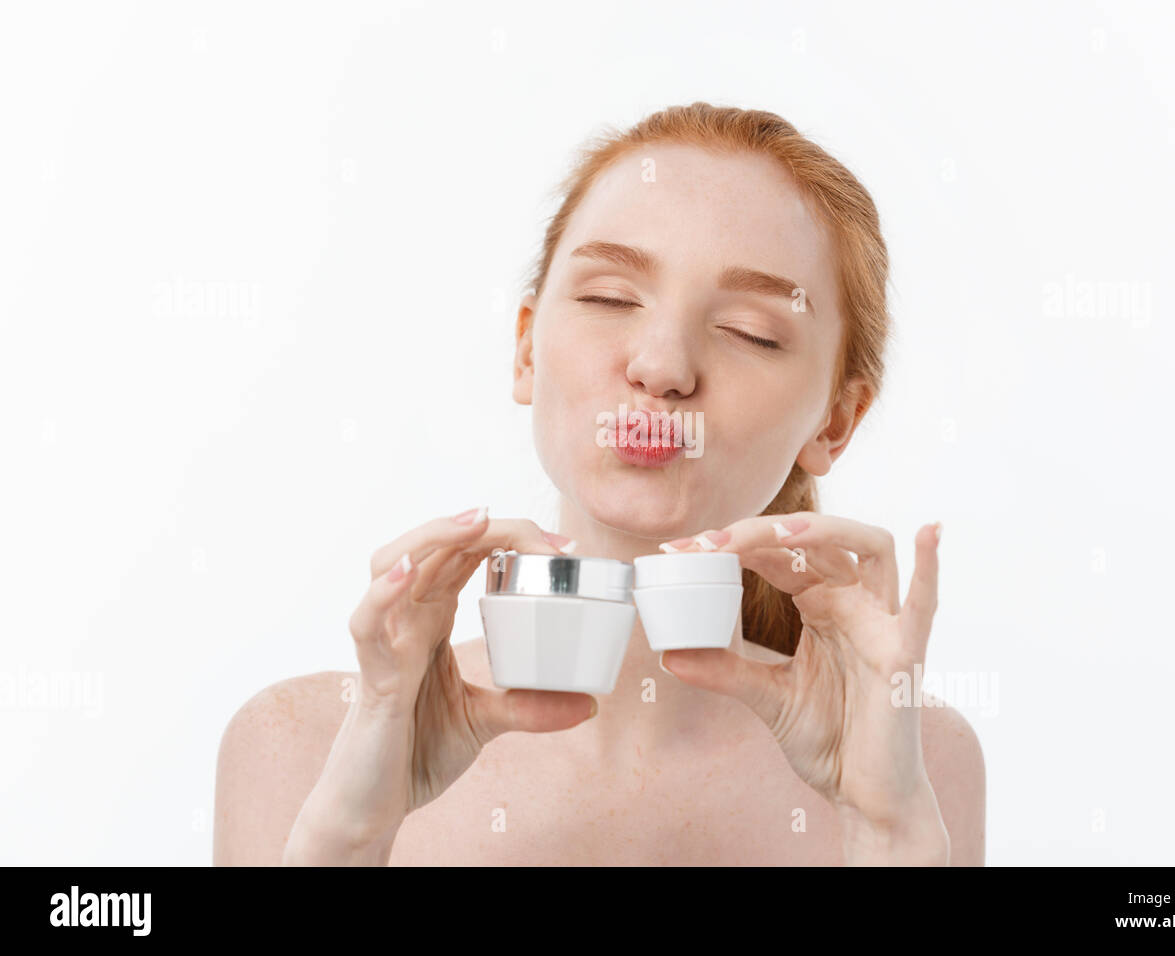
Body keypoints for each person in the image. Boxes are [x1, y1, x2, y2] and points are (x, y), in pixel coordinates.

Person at [214, 102, 986, 865]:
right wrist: (347, 838)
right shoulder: (301, 746)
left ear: (835, 423)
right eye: (610, 298)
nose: (662, 367)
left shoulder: (919, 765)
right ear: (526, 351)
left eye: (750, 330)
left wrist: (886, 835)